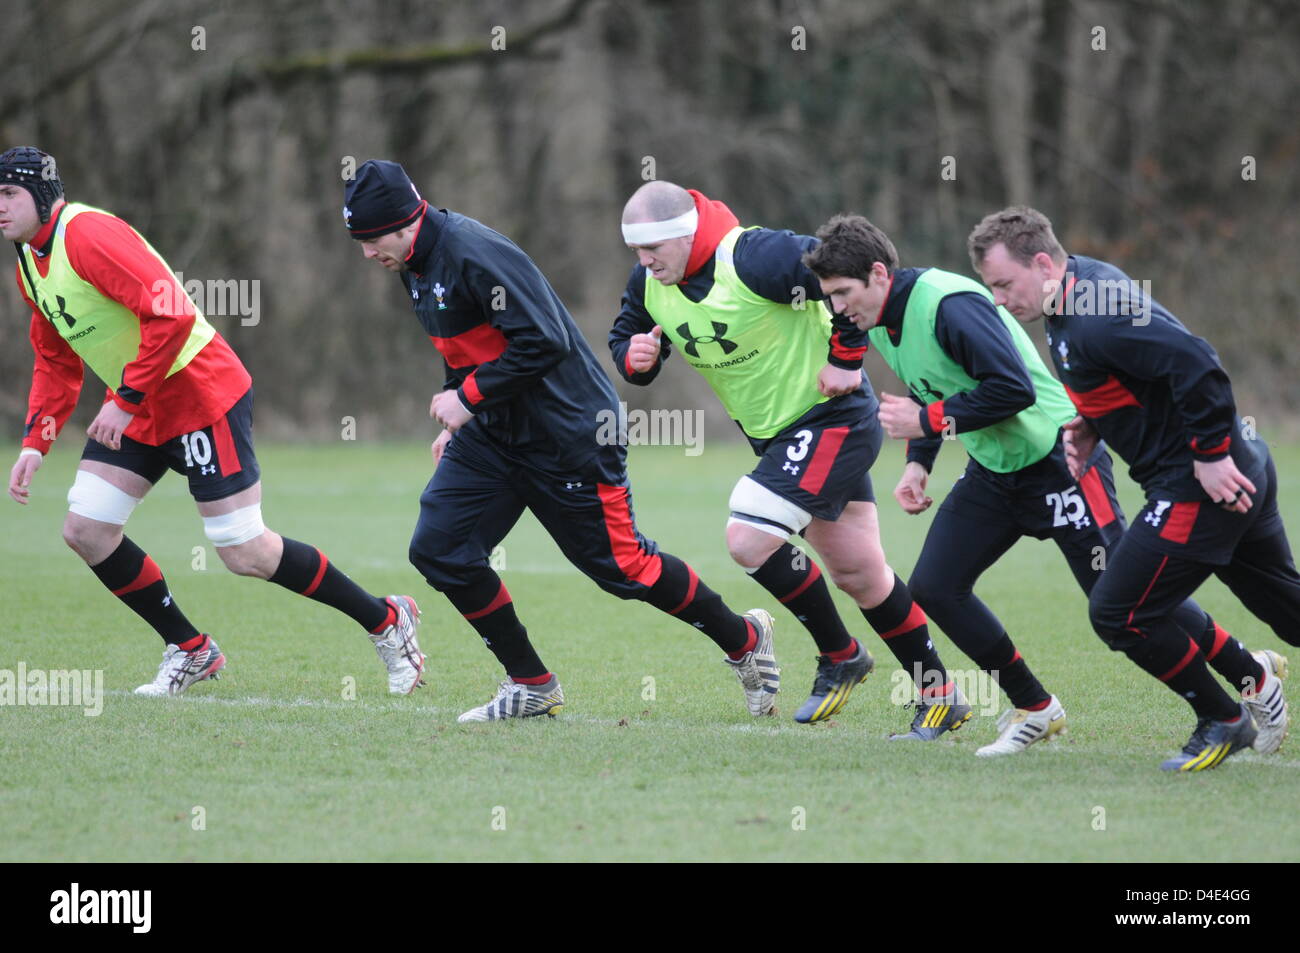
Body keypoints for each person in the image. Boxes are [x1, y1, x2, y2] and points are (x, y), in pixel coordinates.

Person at [803, 214, 1278, 758]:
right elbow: (931, 388)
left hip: (1060, 460)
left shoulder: (947, 303)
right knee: (936, 585)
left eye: (842, 293)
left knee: (1125, 598)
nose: (838, 308)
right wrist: (919, 461)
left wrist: (927, 424)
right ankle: (1034, 708)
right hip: (996, 471)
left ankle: (1250, 679)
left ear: (879, 274)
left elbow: (1013, 390)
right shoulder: (881, 320)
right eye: (829, 297)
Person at [342, 159, 776, 722]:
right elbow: (464, 345)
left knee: (625, 571)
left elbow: (542, 340)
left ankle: (745, 641)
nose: (367, 253)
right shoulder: (412, 261)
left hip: (570, 432)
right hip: (496, 434)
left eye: (372, 239)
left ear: (405, 221)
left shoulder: (474, 252)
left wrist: (468, 399)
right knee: (440, 549)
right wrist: (461, 418)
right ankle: (531, 683)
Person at [3, 147, 424, 697]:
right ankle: (190, 649)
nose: (0, 207)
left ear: (41, 196)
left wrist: (125, 397)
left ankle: (387, 621)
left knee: (244, 550)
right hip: (142, 405)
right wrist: (37, 441)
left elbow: (171, 312)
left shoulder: (87, 236)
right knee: (86, 528)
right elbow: (55, 359)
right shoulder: (28, 264)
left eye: (8, 194)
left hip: (201, 394)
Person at [611, 180, 967, 737]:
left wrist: (848, 360)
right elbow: (627, 334)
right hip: (778, 438)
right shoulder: (650, 283)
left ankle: (840, 653)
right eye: (635, 251)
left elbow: (848, 276)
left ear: (685, 235)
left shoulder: (754, 256)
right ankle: (940, 692)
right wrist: (635, 359)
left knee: (748, 537)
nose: (643, 261)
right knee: (860, 573)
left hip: (832, 421)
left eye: (652, 248)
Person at [966, 205, 1295, 770]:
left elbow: (1197, 363)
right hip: (1244, 471)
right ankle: (1240, 697)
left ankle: (1221, 719)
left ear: (1043, 263)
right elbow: (1142, 376)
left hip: (1203, 487)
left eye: (1003, 284)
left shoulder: (1098, 316)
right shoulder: (1077, 290)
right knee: (1287, 610)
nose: (999, 299)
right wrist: (1095, 421)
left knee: (1118, 611)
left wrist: (1210, 454)